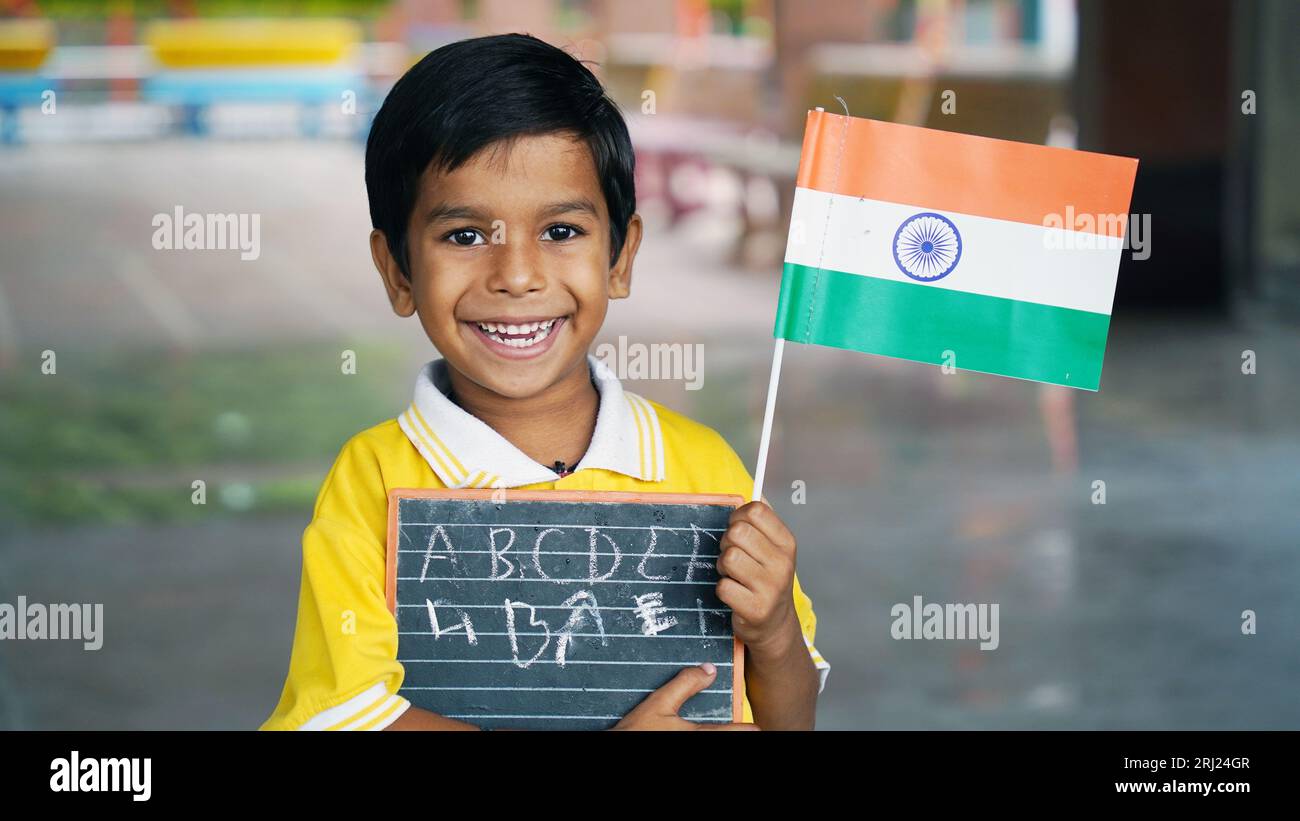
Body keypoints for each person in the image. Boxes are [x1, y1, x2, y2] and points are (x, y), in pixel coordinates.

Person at [261, 33, 828, 731]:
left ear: (620, 258)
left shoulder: (703, 470)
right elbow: (348, 716)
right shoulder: (373, 482)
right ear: (398, 271)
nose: (518, 275)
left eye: (560, 231)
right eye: (465, 236)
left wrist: (774, 632)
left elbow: (790, 718)